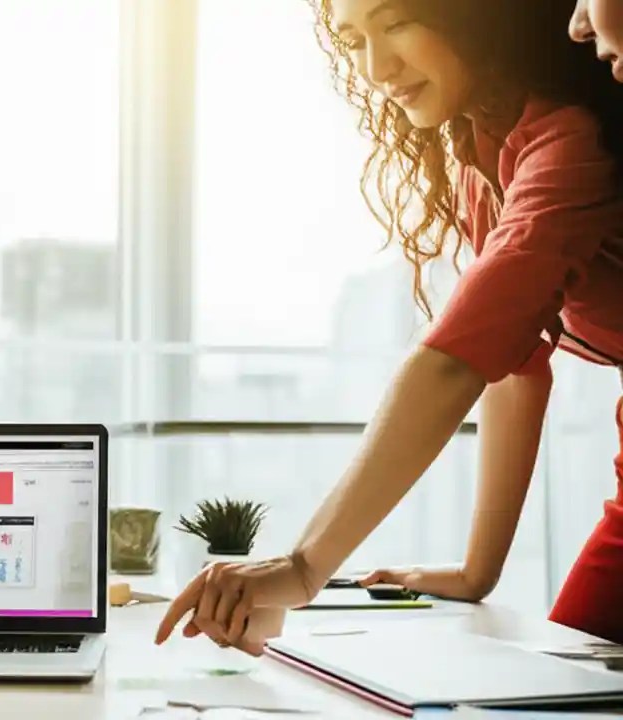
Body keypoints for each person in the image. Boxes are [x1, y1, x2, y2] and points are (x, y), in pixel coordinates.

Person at [155, 0, 623, 652]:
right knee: (577, 678)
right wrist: (476, 571)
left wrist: (303, 566)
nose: (377, 68)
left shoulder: (572, 137)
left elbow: (453, 360)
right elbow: (510, 362)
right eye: (353, 42)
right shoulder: (481, 146)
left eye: (396, 24)